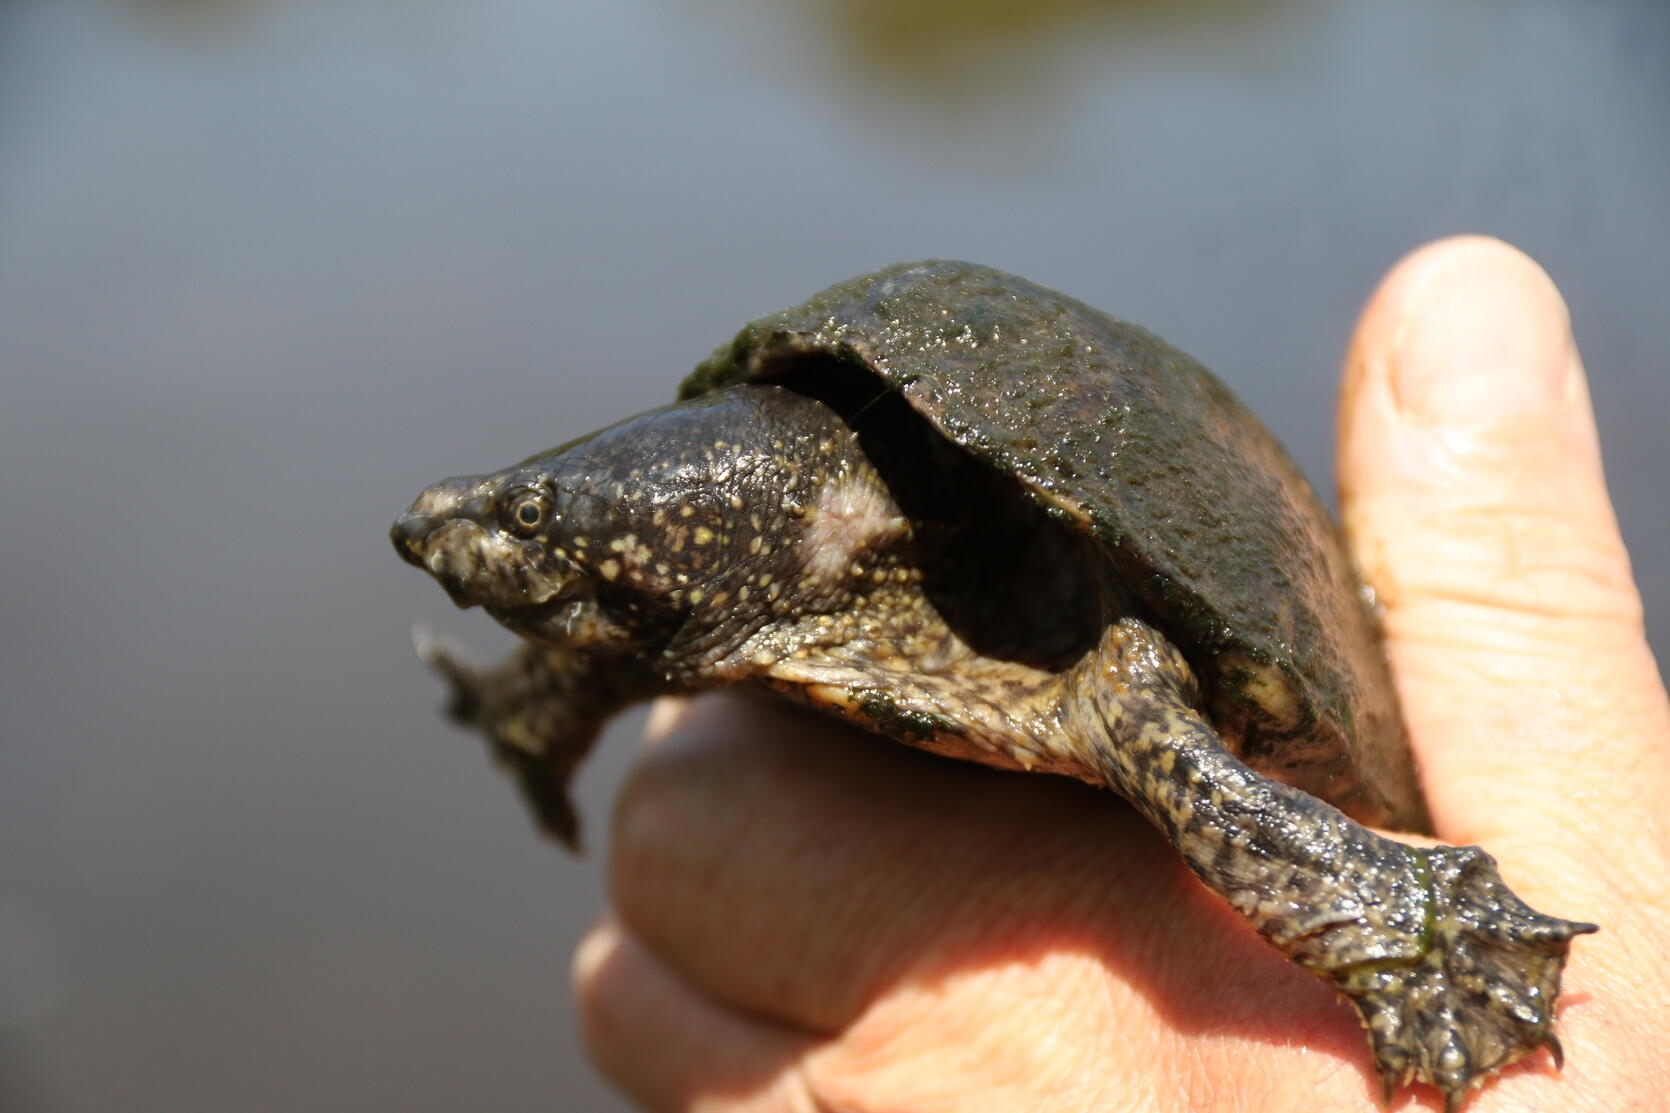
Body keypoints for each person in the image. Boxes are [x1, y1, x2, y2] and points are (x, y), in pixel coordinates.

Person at [572, 237, 1670, 1112]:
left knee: (1141, 716)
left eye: (532, 524)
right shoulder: (739, 583)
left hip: (1159, 664)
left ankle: (1423, 935)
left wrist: (1424, 954)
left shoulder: (1113, 669)